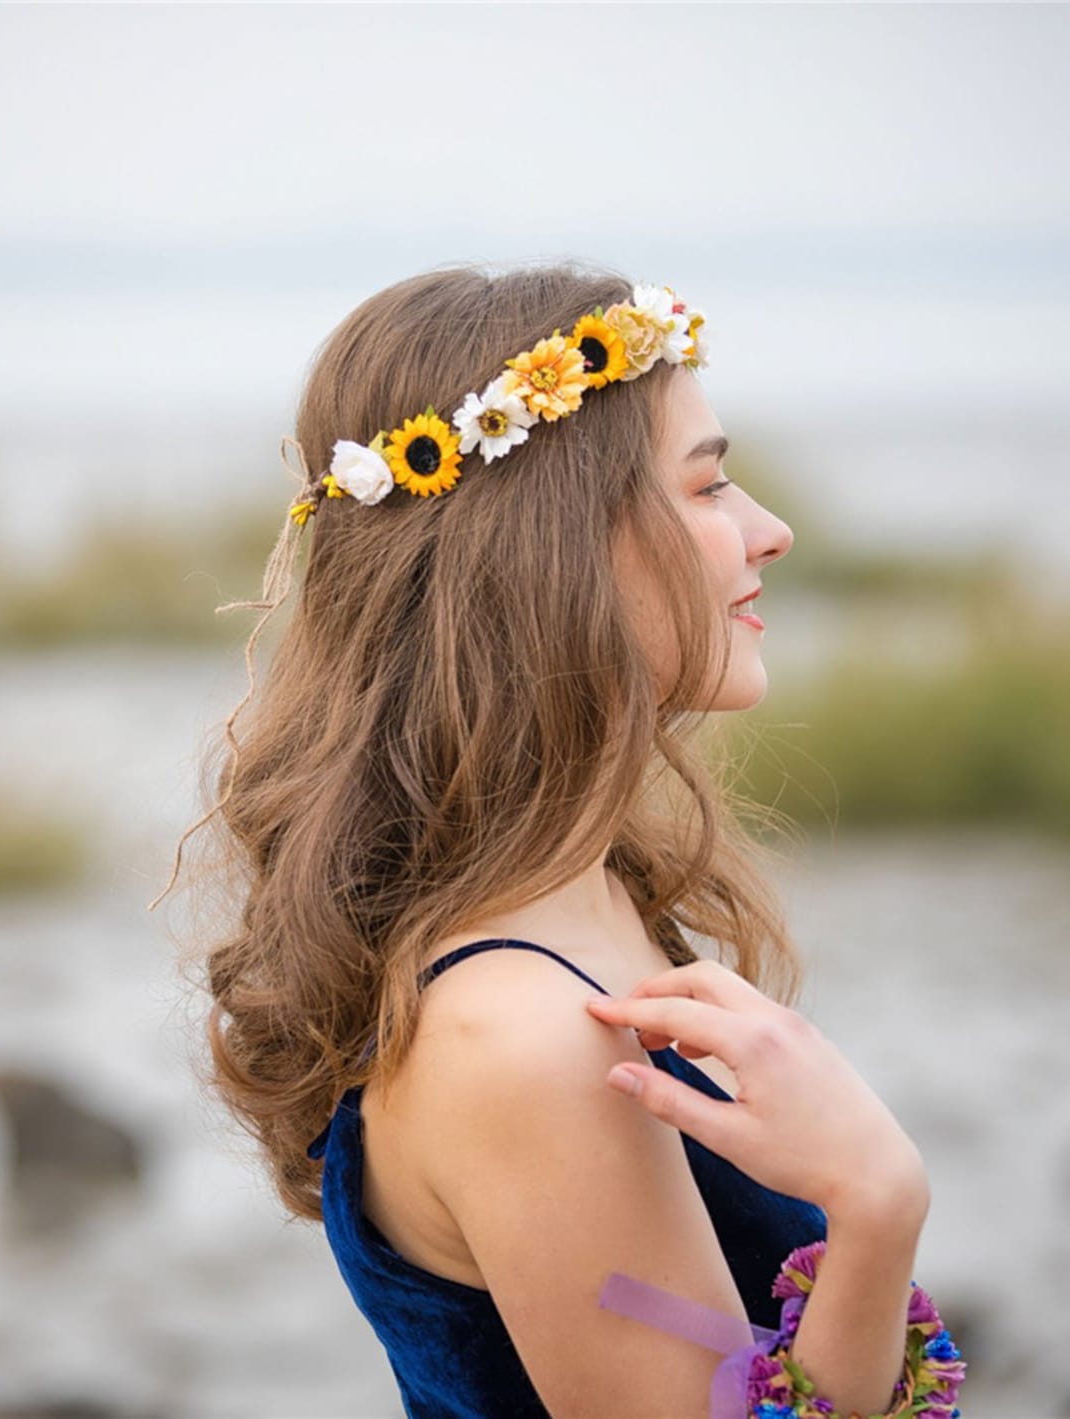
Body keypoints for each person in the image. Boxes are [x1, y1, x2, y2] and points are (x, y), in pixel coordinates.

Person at [154, 262, 964, 1419]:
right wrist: (878, 1204)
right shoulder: (520, 1039)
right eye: (708, 487)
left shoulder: (588, 894)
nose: (770, 531)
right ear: (552, 549)